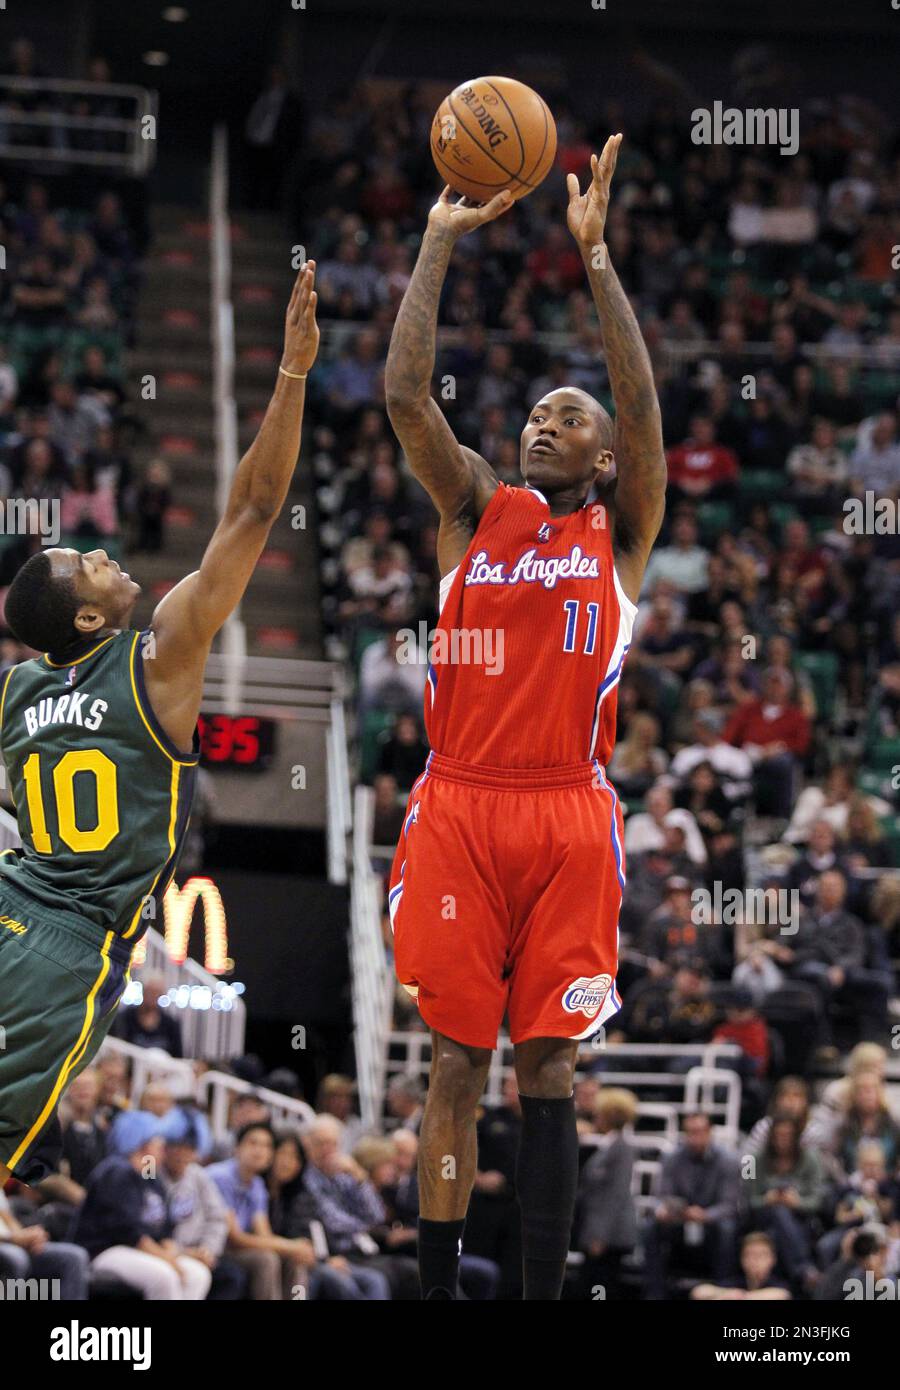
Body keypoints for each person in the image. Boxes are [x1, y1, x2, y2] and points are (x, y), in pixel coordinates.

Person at [384, 135, 666, 1301]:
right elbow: (407, 395)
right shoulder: (472, 510)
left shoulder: (623, 531)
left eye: (568, 417)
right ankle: (442, 1290)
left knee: (548, 1068)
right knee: (456, 1064)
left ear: (602, 462)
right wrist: (438, 243)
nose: (543, 424)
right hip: (460, 801)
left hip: (566, 812)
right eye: (537, 414)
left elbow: (643, 402)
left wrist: (598, 262)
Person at [0, 263, 320, 1187]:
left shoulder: (17, 695)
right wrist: (291, 372)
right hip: (68, 946)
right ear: (90, 621)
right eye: (83, 564)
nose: (100, 553)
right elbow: (256, 508)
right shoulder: (157, 661)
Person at [73, 1109, 211, 1300]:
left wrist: (171, 1250)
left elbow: (164, 1226)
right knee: (164, 1276)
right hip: (105, 1250)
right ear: (142, 1143)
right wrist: (167, 1258)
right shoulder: (116, 1171)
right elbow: (128, 1231)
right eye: (159, 1140)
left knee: (197, 1274)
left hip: (141, 1250)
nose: (164, 1147)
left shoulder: (149, 1175)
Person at [207, 1121, 317, 1300]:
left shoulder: (257, 1184)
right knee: (267, 1259)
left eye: (266, 1146)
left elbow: (263, 1234)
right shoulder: (220, 1176)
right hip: (216, 1248)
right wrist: (290, 1245)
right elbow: (235, 1238)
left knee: (294, 1260)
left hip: (235, 1249)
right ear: (237, 1148)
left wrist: (294, 1250)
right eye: (253, 1143)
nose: (259, 1150)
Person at [642, 1112, 741, 1299]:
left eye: (699, 1131)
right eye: (690, 1132)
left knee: (727, 1228)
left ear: (710, 1132)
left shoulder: (729, 1160)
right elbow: (660, 1197)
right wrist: (662, 1210)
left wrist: (705, 1215)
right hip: (679, 1219)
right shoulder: (671, 1157)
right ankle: (654, 1294)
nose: (694, 1137)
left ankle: (723, 1290)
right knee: (650, 1227)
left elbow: (730, 1205)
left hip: (712, 1223)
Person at [575, 1088, 637, 1299]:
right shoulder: (609, 1145)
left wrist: (599, 1235)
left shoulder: (621, 1148)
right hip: (600, 1230)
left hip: (609, 1234)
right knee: (593, 1283)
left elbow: (614, 1195)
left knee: (601, 1286)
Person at [690, 1231, 791, 1301]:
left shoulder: (778, 1283)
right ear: (742, 1259)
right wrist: (727, 1293)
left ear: (772, 1259)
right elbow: (699, 1292)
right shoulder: (736, 1282)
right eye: (750, 1255)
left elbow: (782, 1295)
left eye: (761, 1255)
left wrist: (740, 1296)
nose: (755, 1260)